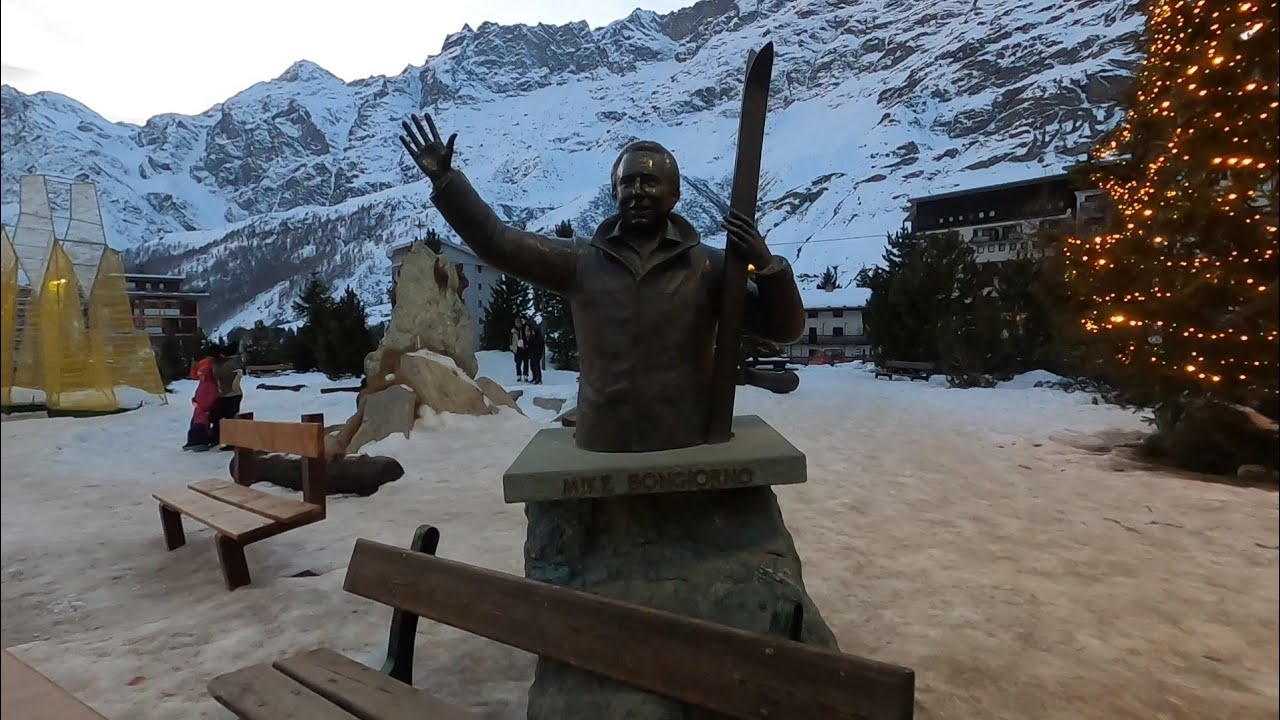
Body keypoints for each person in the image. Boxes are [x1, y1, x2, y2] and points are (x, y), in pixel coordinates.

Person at [400, 114, 804, 452]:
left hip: (684, 433)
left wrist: (767, 265)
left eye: (649, 183)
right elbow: (498, 242)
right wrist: (448, 182)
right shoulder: (581, 261)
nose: (638, 192)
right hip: (602, 434)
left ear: (674, 194)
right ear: (614, 192)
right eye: (627, 183)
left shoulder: (709, 267)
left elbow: (784, 329)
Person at [183, 346, 220, 451]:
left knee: (200, 422)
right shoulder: (207, 379)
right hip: (202, 407)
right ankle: (198, 440)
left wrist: (202, 405)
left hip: (203, 408)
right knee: (198, 421)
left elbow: (209, 396)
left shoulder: (208, 381)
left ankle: (199, 440)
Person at [210, 341, 245, 449]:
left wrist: (214, 364)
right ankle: (217, 438)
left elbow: (218, 373)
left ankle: (231, 442)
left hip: (232, 395)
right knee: (218, 417)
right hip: (227, 394)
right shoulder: (230, 362)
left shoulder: (230, 364)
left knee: (229, 418)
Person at [511, 317, 528, 381]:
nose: (518, 324)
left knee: (525, 362)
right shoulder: (514, 331)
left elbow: (527, 337)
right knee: (518, 362)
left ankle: (525, 374)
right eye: (516, 323)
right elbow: (511, 340)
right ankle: (518, 375)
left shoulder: (524, 329)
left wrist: (526, 344)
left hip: (524, 348)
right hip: (517, 349)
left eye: (519, 323)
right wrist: (512, 347)